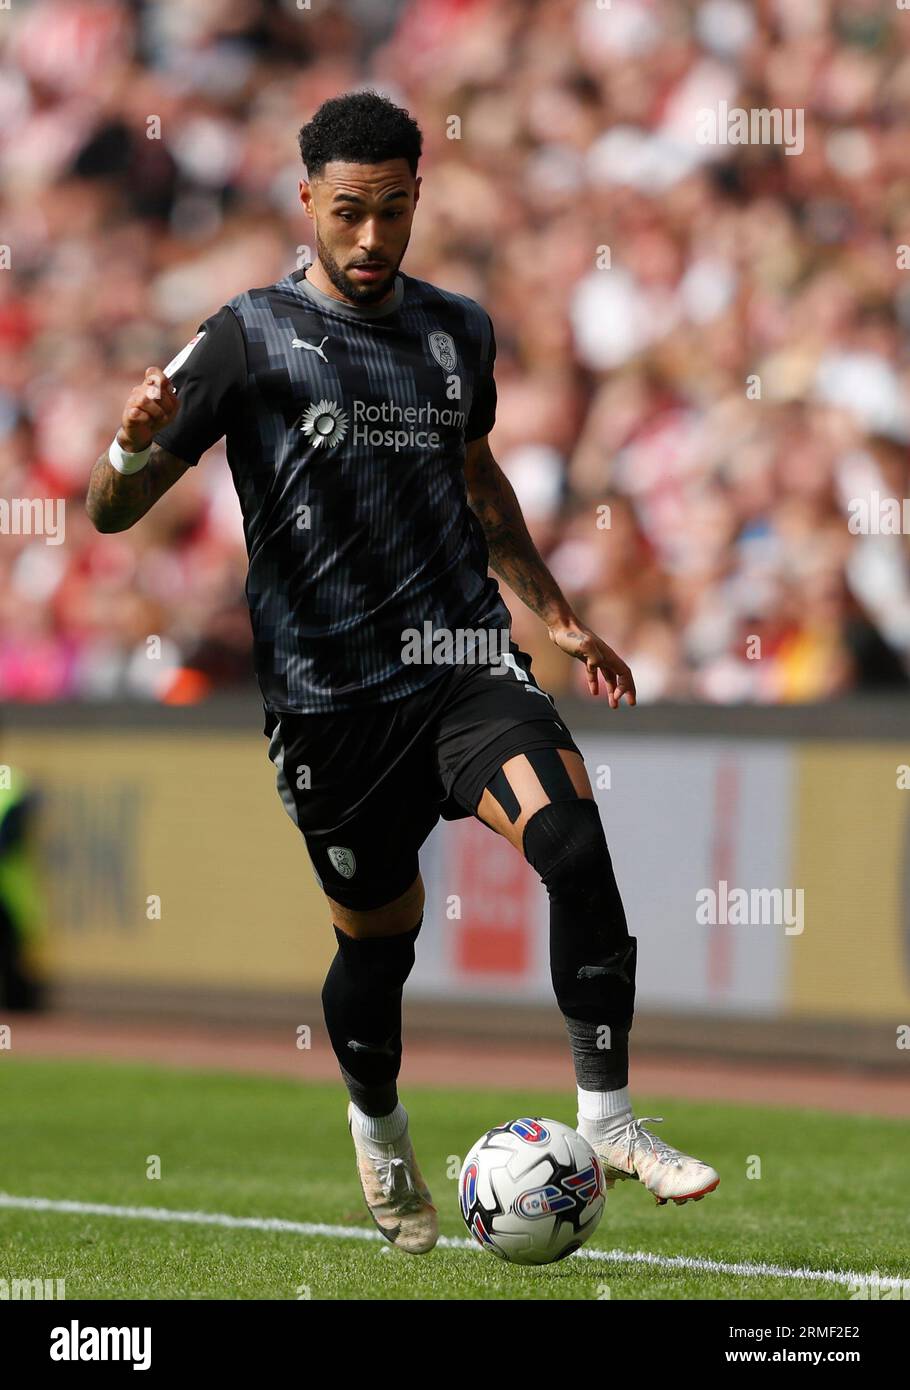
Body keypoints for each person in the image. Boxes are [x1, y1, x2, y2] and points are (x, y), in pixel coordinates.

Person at [85, 90, 718, 1255]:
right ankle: (378, 1128)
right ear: (306, 201)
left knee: (573, 845)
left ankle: (611, 1120)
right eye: (348, 213)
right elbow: (110, 513)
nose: (372, 236)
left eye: (392, 210)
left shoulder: (456, 331)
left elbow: (479, 483)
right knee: (377, 948)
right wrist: (129, 441)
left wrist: (556, 616)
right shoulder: (243, 338)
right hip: (330, 706)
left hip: (463, 660)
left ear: (419, 197)